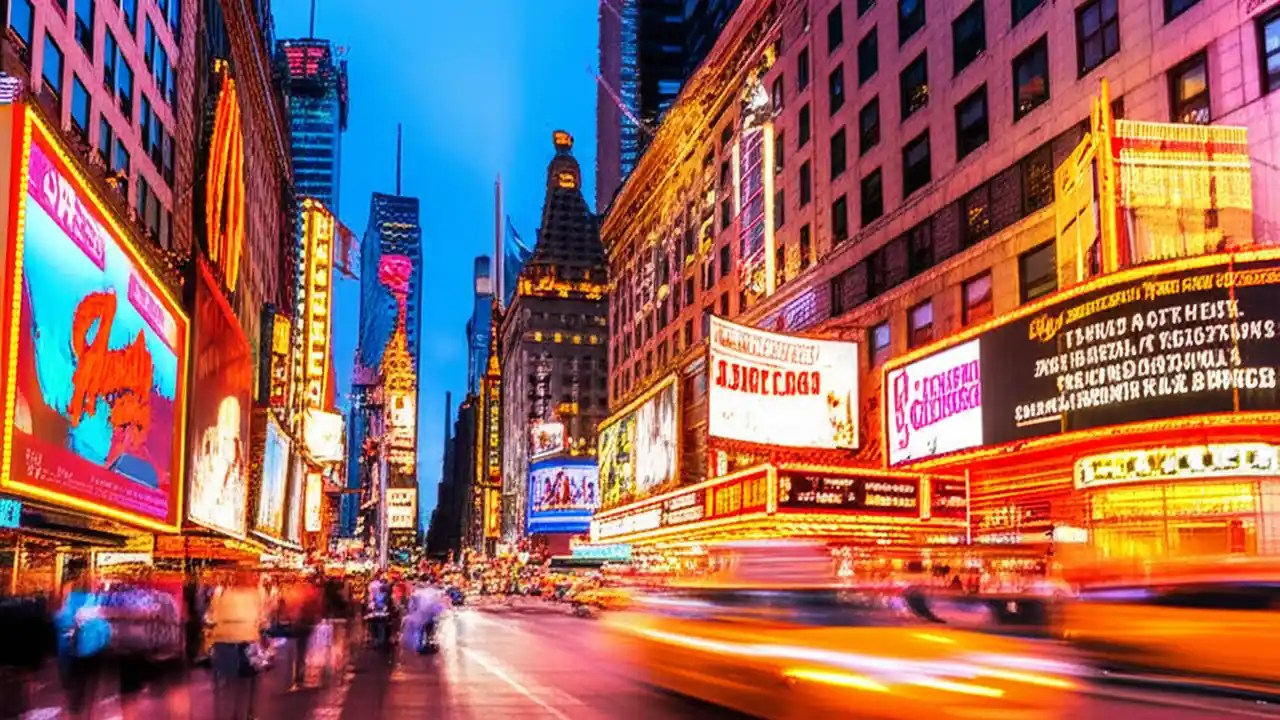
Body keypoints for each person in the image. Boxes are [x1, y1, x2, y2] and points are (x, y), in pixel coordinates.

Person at [206, 571, 266, 720]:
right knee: (248, 682)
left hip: (224, 640)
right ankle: (246, 714)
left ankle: (230, 714)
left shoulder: (221, 592)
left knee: (227, 683)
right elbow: (262, 617)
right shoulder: (256, 593)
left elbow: (212, 616)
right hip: (248, 639)